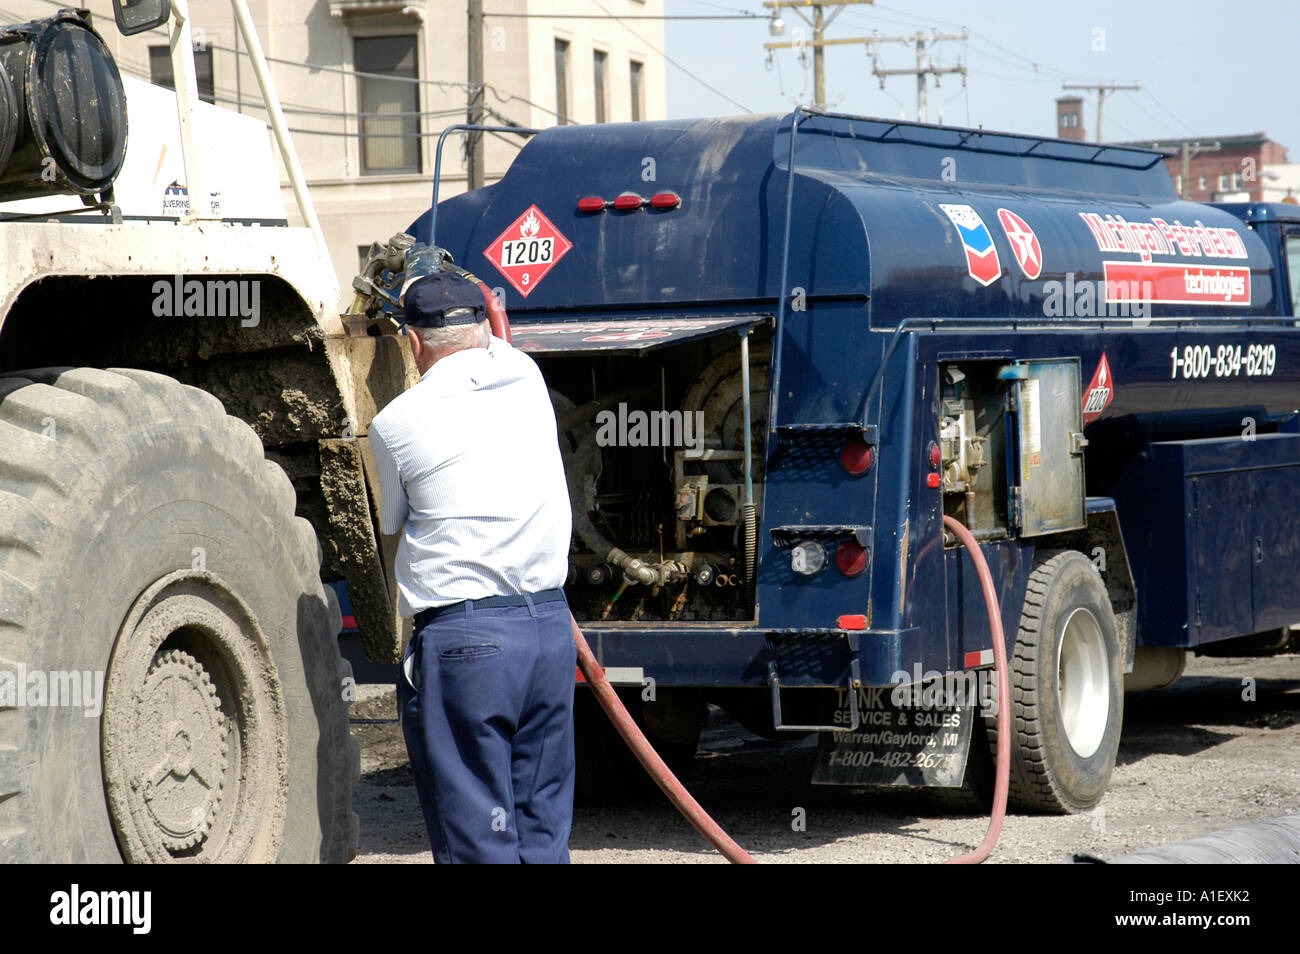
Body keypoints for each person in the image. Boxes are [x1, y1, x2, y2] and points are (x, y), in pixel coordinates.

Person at [369, 270, 575, 864]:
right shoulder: (528, 376)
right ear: (485, 328)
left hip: (468, 644)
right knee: (542, 825)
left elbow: (390, 522)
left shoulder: (397, 423)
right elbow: (496, 338)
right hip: (548, 633)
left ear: (412, 344)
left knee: (477, 832)